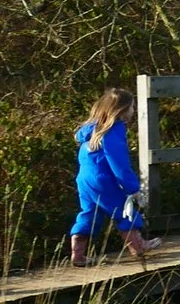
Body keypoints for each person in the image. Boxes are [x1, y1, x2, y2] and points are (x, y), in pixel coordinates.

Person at [69, 87, 161, 265]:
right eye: (132, 107)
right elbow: (118, 162)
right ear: (122, 110)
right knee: (124, 210)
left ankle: (78, 254)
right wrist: (132, 188)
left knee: (88, 213)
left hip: (84, 180)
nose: (133, 111)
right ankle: (138, 246)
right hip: (102, 179)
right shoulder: (113, 130)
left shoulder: (90, 131)